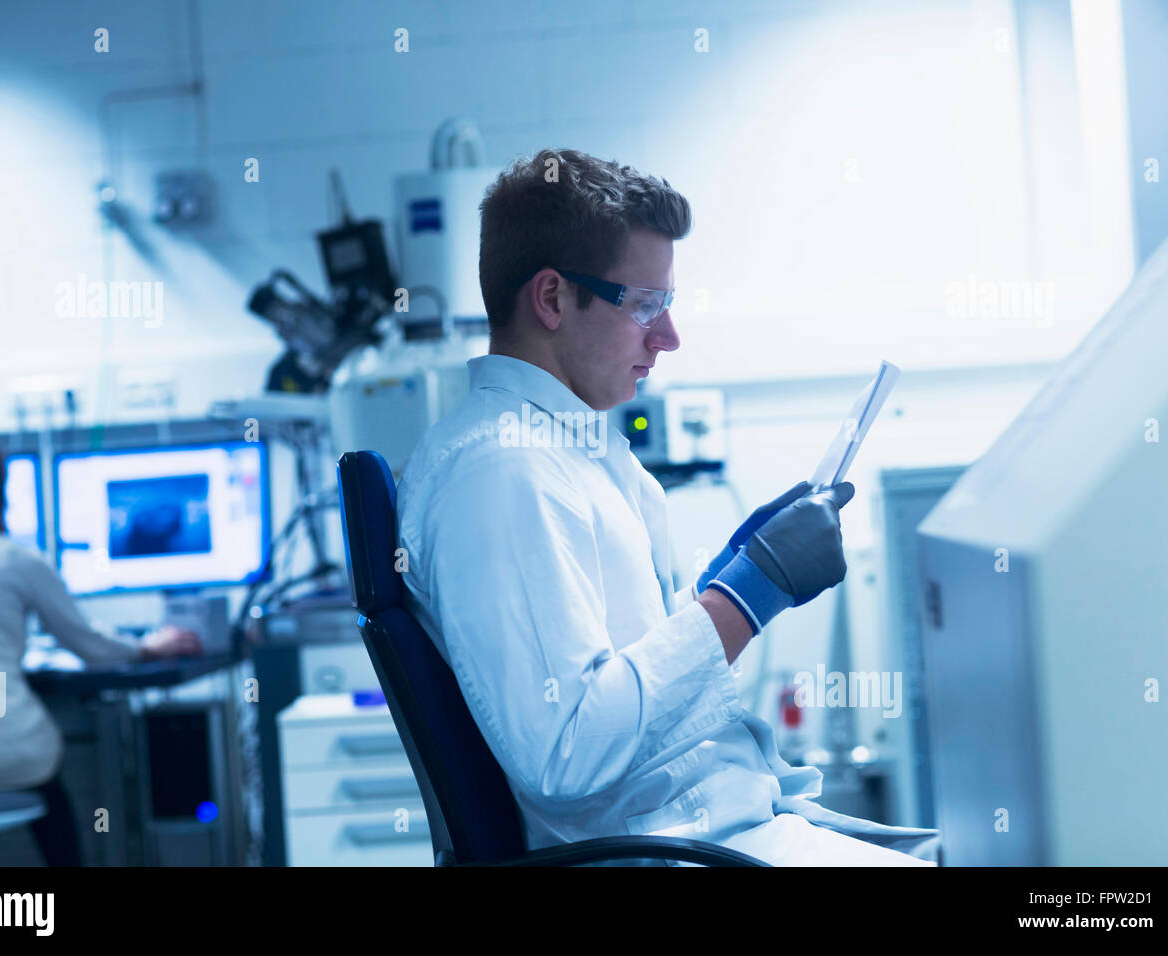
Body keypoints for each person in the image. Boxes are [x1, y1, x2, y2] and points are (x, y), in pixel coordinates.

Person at [396, 148, 940, 866]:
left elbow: (619, 665)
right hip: (669, 850)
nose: (669, 337)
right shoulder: (504, 473)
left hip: (718, 824)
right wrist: (747, 596)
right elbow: (566, 752)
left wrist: (724, 578)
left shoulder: (570, 450)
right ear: (553, 298)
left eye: (668, 305)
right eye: (645, 306)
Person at [0, 441, 201, 865]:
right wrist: (148, 647)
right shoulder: (17, 560)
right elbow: (91, 647)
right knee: (35, 783)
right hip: (2, 754)